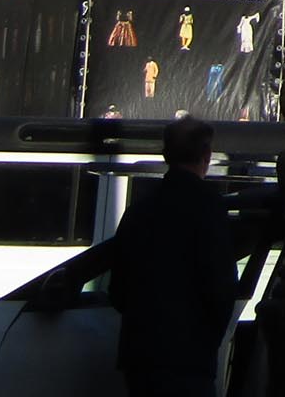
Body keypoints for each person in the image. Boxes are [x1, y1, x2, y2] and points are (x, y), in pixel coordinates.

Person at [109, 116, 240, 397]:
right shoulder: (209, 208)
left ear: (165, 154)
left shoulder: (140, 210)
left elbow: (118, 289)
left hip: (141, 357)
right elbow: (221, 287)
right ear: (206, 156)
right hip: (189, 358)